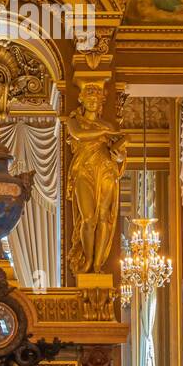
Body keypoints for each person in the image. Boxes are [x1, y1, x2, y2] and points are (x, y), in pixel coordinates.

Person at [64, 83, 127, 276]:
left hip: (106, 169)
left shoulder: (108, 126)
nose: (93, 101)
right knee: (88, 219)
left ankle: (98, 265)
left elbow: (120, 154)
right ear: (82, 99)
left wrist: (118, 155)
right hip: (84, 170)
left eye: (96, 99)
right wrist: (105, 133)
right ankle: (88, 260)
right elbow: (79, 135)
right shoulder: (75, 121)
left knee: (103, 217)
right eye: (89, 98)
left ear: (101, 102)